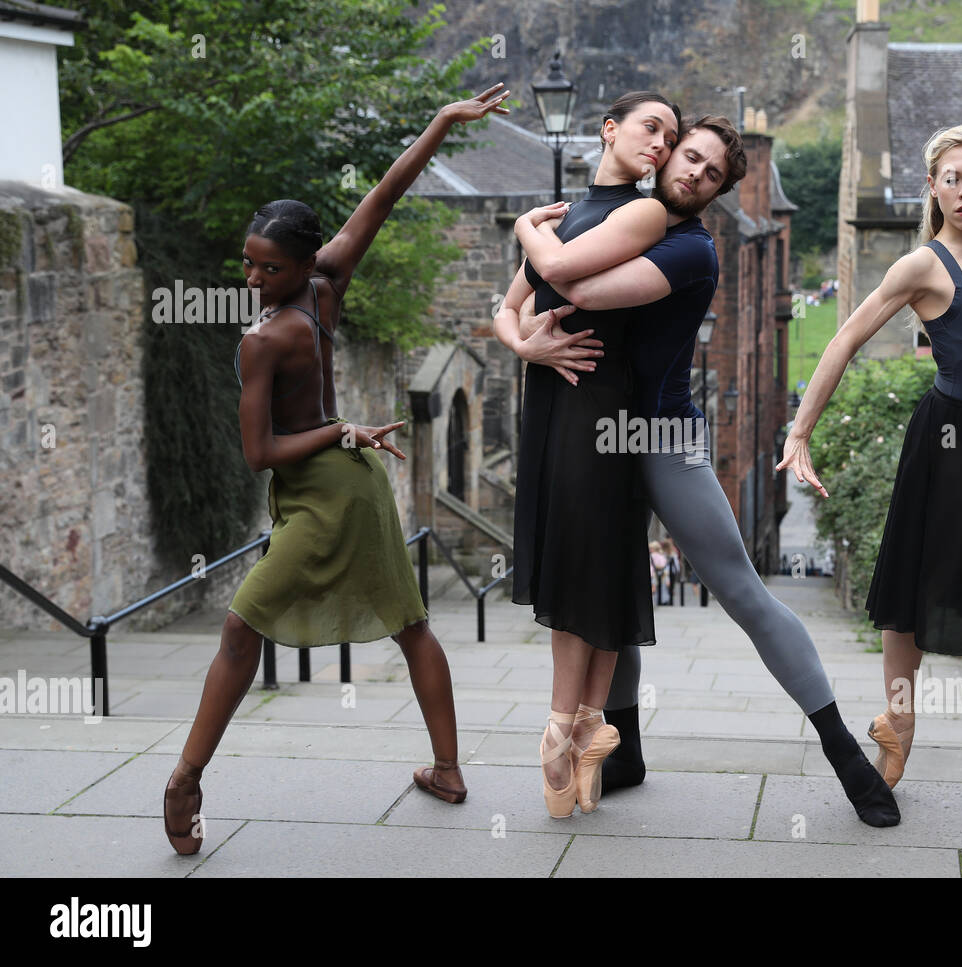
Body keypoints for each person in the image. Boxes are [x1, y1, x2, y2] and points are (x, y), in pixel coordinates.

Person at [512, 115, 899, 827]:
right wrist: (527, 333)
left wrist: (525, 228)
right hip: (600, 431)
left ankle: (845, 754)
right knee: (610, 588)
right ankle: (621, 749)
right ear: (667, 153)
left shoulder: (692, 247)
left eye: (712, 171)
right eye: (689, 155)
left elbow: (580, 292)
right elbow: (524, 302)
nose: (693, 171)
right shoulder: (628, 213)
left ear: (719, 190)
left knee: (742, 589)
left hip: (662, 435)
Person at [162, 84, 512, 856]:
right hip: (348, 477)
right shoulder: (322, 286)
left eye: (268, 268)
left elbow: (259, 454)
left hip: (332, 492)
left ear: (302, 260)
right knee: (411, 623)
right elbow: (383, 193)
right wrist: (442, 122)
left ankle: (186, 777)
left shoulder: (271, 333)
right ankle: (447, 770)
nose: (252, 281)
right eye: (247, 265)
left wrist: (330, 431)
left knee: (239, 624)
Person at [776, 123, 962, 832]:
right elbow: (844, 336)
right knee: (919, 591)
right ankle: (948, 733)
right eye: (952, 178)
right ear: (932, 186)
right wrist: (800, 429)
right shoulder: (921, 266)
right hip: (947, 441)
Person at [492, 91, 682, 818]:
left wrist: (520, 228)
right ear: (610, 130)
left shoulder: (645, 212)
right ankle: (566, 728)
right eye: (649, 128)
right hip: (567, 403)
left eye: (670, 136)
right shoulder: (568, 215)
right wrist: (524, 343)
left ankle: (577, 730)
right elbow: (507, 310)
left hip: (609, 408)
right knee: (585, 560)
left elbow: (562, 272)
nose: (660, 144)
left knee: (601, 559)